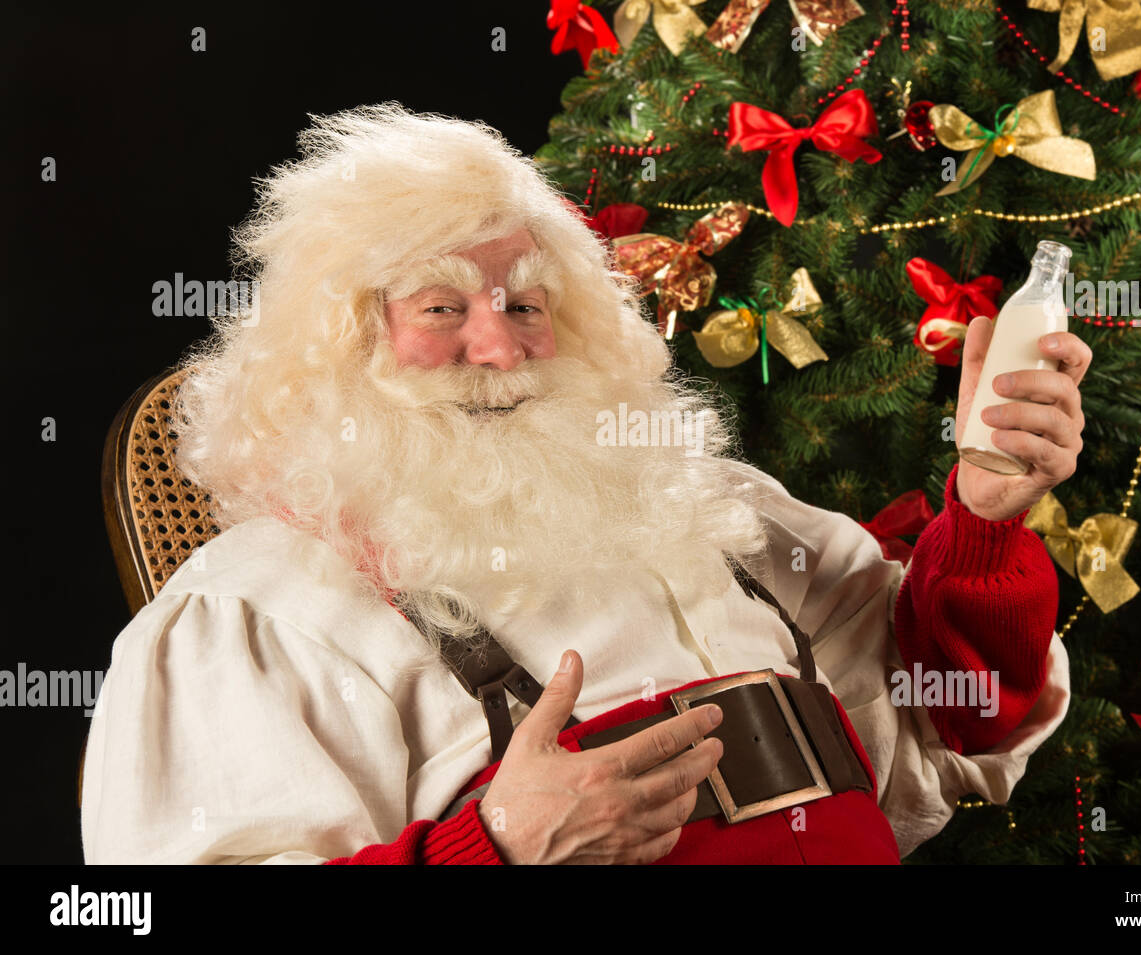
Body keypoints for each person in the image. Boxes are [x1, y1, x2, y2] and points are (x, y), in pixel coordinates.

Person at [81, 103, 1082, 865]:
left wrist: (985, 523)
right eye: (440, 307)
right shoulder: (257, 609)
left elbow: (957, 720)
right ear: (335, 344)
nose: (501, 347)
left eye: (525, 302)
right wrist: (497, 844)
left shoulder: (710, 511)